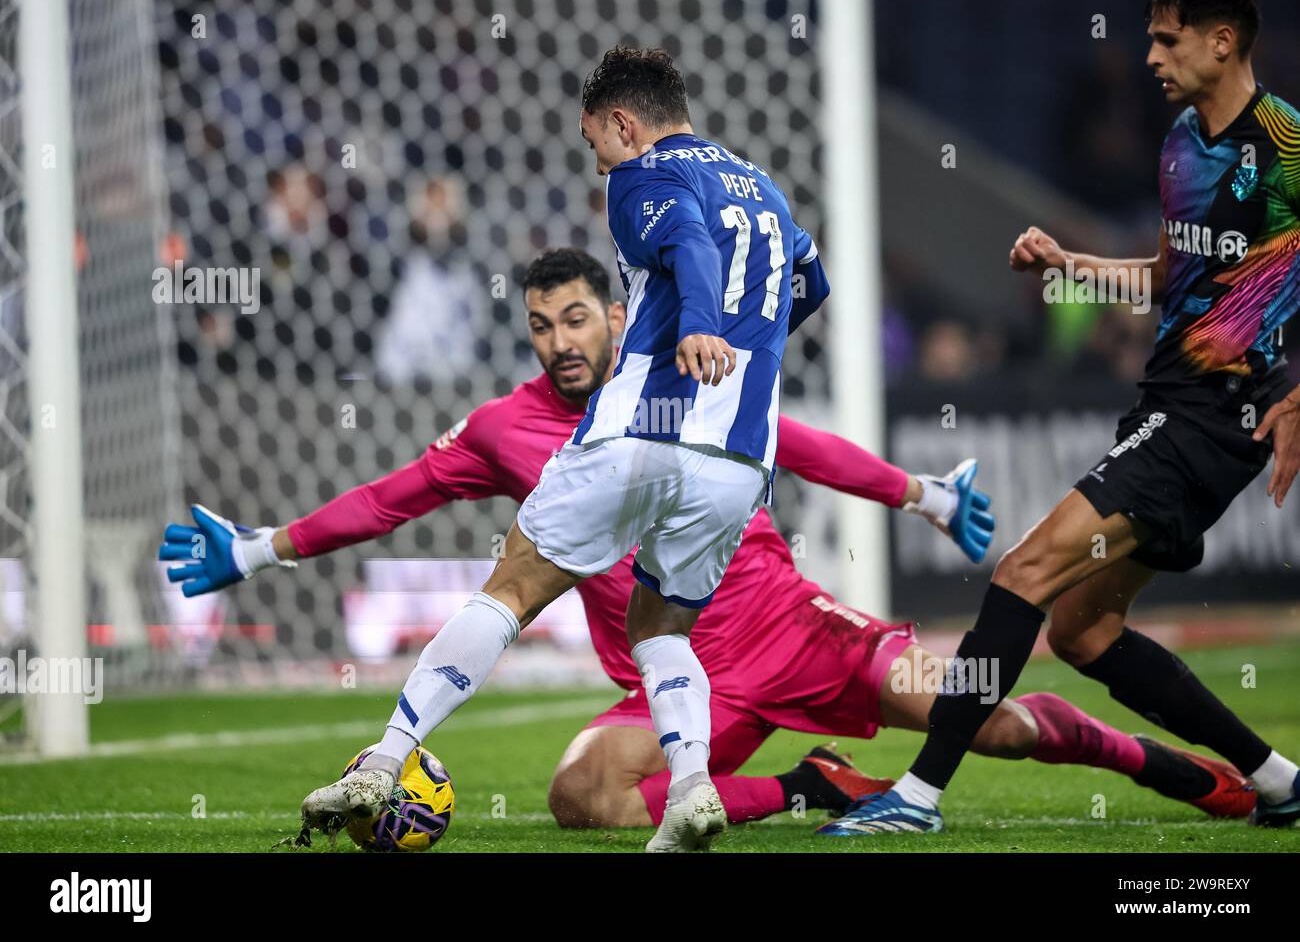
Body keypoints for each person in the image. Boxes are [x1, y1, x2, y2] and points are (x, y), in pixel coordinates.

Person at [161, 249, 1254, 842]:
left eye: (578, 317)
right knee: (578, 793)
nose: (562, 340)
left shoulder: (676, 379)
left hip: (791, 627)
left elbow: (800, 443)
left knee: (985, 715)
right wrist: (259, 549)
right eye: (542, 325)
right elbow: (390, 499)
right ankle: (811, 787)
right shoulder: (503, 430)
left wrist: (918, 493)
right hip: (675, 679)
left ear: (612, 312)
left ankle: (1182, 772)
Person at [824, 0, 1300, 837]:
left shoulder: (1289, 149)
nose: (1149, 57)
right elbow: (1166, 278)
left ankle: (919, 795)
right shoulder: (1185, 141)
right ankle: (1277, 780)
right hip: (1167, 403)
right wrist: (1067, 262)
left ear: (1223, 41)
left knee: (1022, 573)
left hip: (1216, 417)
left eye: (1166, 40)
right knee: (1084, 631)